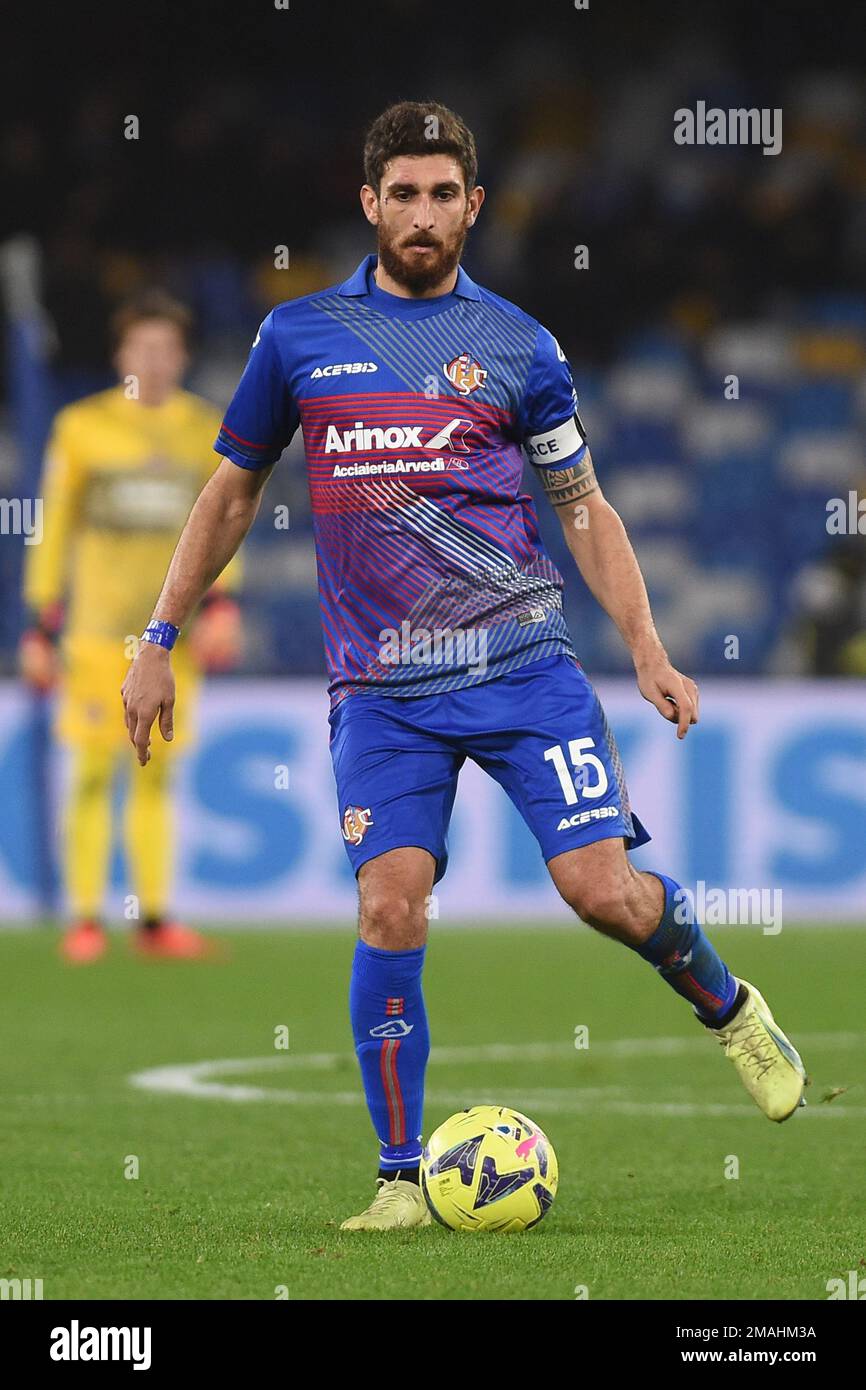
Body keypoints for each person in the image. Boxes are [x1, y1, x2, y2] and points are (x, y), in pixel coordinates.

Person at [121, 103, 806, 1230]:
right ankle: (398, 1179)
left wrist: (645, 644)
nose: (425, 214)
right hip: (381, 694)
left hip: (523, 665)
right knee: (389, 907)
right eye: (405, 193)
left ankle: (729, 1007)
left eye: (446, 195)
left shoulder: (519, 346)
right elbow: (231, 491)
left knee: (600, 890)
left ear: (474, 206)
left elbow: (581, 509)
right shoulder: (297, 337)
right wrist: (157, 637)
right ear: (369, 202)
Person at [22, 291, 241, 961]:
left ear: (182, 357)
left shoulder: (206, 429)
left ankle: (153, 920)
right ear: (122, 356)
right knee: (91, 773)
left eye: (166, 349)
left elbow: (226, 525)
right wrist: (40, 621)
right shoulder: (83, 428)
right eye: (141, 347)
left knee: (157, 777)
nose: (153, 359)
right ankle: (86, 918)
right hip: (95, 636)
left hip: (170, 639)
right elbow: (53, 526)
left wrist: (225, 605)